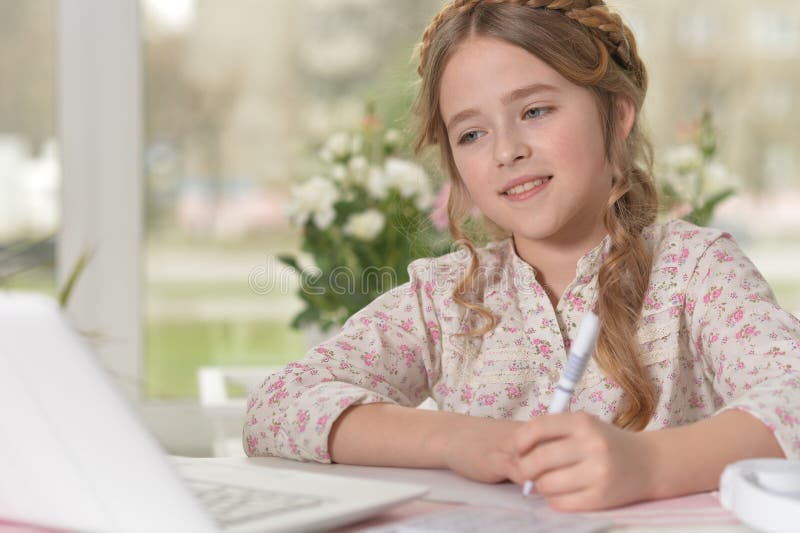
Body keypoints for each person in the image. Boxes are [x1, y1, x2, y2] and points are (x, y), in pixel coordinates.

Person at [244, 0, 800, 511]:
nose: (507, 150)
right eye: (471, 134)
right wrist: (461, 438)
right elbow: (276, 408)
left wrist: (651, 465)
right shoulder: (444, 298)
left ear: (618, 112)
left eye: (534, 110)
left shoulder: (697, 270)